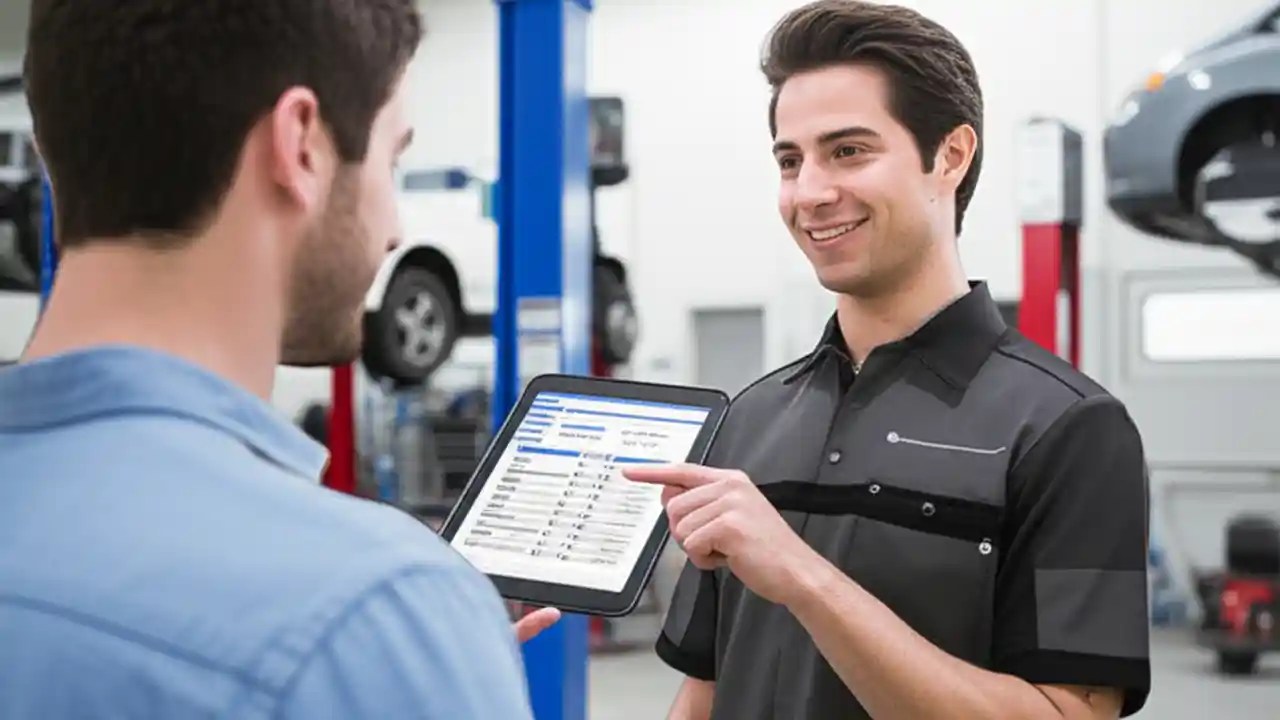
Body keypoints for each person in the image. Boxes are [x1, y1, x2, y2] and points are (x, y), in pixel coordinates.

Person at [0, 2, 556, 718]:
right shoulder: (374, 613)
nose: (394, 230)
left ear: (48, 146)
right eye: (393, 159)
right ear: (301, 146)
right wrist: (423, 668)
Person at [625, 2, 1151, 719]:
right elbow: (707, 689)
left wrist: (806, 579)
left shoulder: (1071, 431)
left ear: (951, 156)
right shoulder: (751, 417)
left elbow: (1073, 712)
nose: (809, 192)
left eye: (848, 151)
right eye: (790, 159)